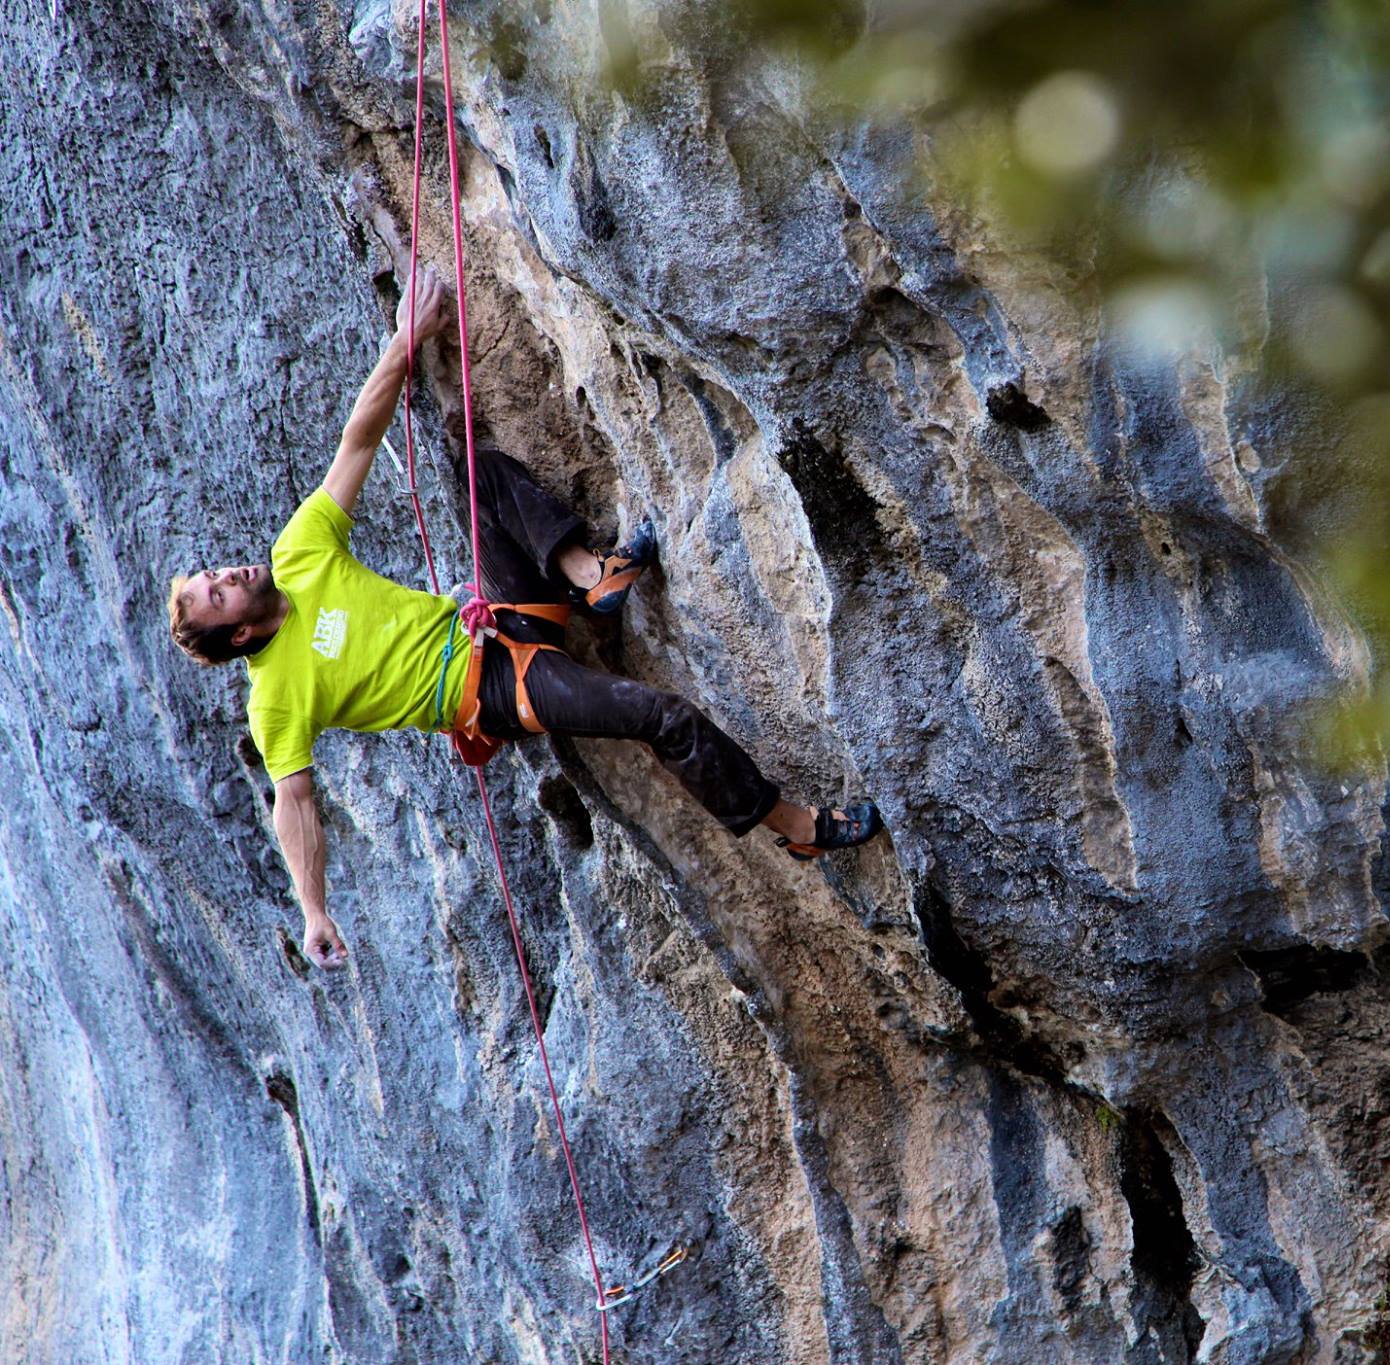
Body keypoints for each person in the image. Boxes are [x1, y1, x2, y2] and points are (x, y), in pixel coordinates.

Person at [165, 265, 882, 969]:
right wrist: (312, 907)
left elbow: (357, 440)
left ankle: (590, 577)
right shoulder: (275, 698)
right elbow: (294, 804)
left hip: (497, 618)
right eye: (218, 592)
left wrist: (408, 337)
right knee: (664, 718)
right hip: (498, 690)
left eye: (213, 572)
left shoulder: (297, 552)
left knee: (474, 472)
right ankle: (797, 827)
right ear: (240, 634)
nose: (228, 573)